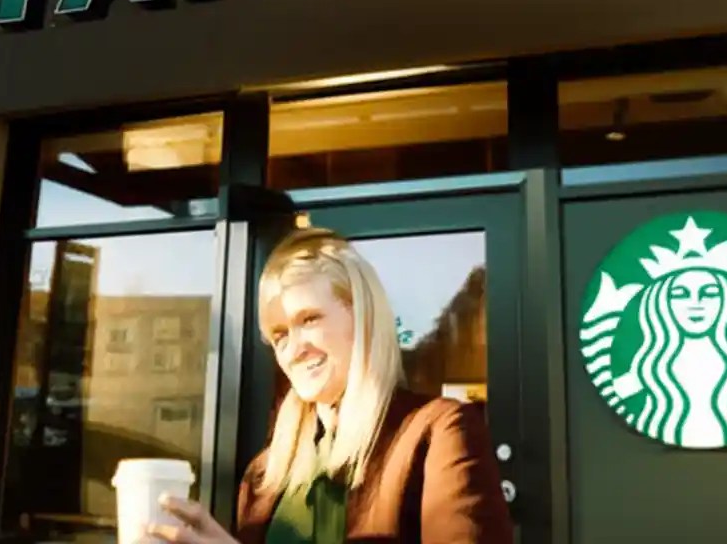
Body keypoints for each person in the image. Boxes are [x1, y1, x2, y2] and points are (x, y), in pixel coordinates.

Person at [148, 227, 514, 544]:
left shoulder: (438, 432)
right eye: (279, 335)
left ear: (363, 316)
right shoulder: (264, 473)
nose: (294, 348)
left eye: (309, 319)